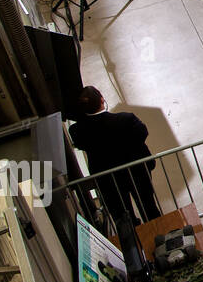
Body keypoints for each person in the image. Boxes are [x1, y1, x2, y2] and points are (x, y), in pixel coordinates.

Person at [69, 86, 161, 222]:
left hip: (109, 181)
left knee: (123, 218)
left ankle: (135, 240)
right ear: (102, 99)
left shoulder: (77, 131)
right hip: (137, 173)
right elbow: (142, 133)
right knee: (149, 207)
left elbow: (81, 143)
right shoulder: (126, 119)